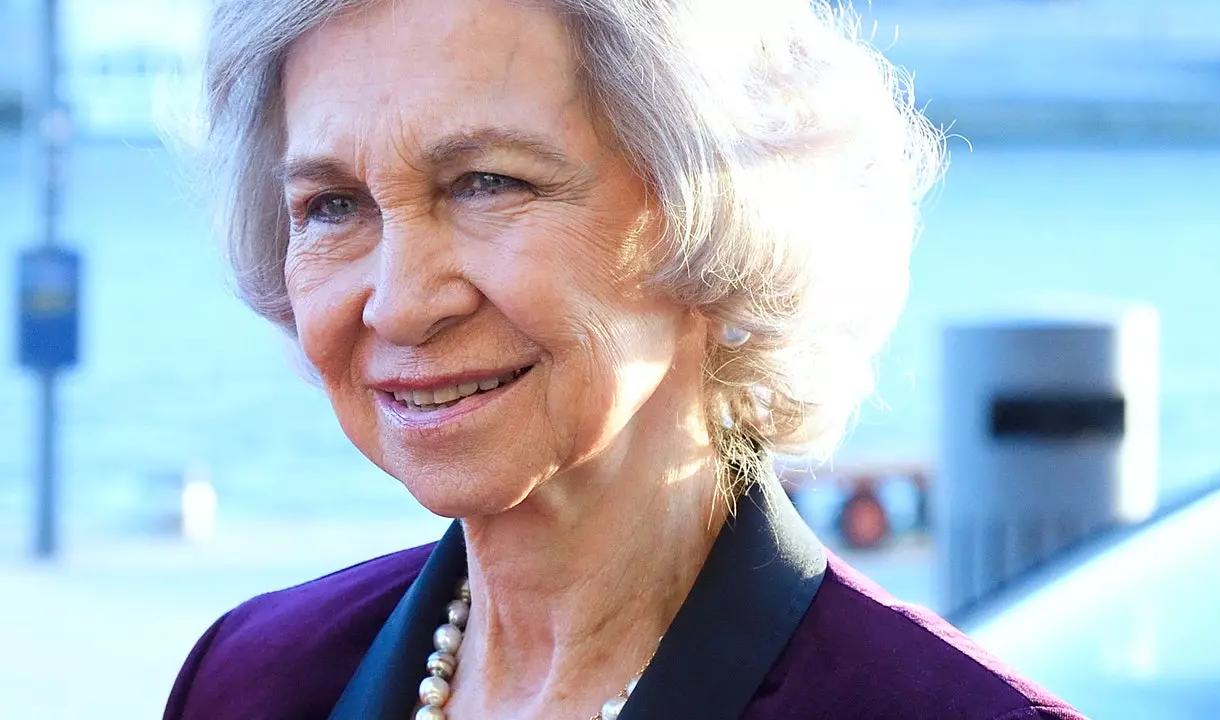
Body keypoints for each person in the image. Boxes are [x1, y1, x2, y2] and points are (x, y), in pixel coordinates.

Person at [164, 0, 1087, 718]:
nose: (401, 301)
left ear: (715, 216)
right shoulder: (250, 680)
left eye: (488, 183)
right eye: (332, 205)